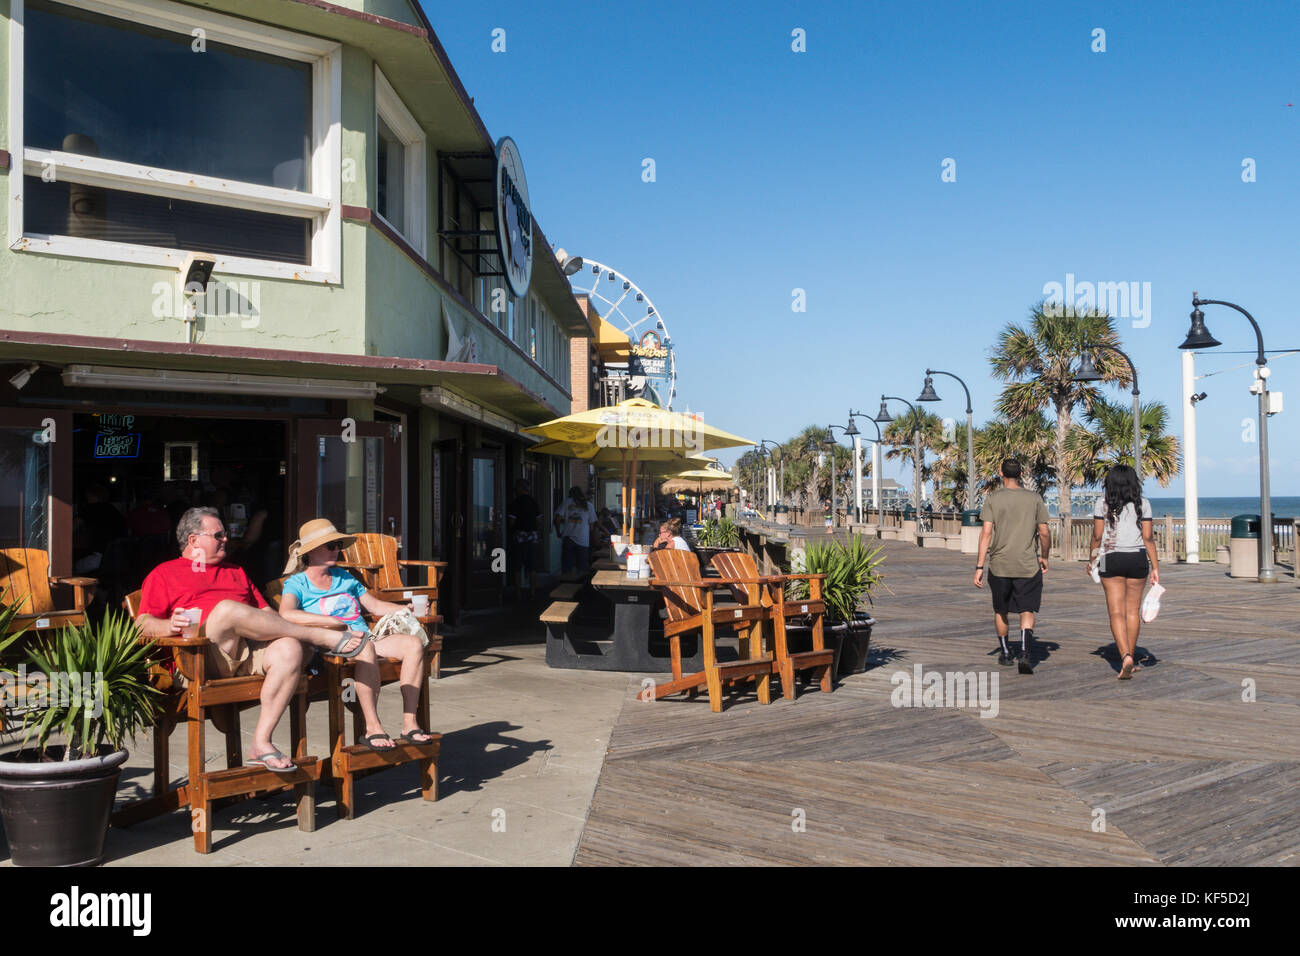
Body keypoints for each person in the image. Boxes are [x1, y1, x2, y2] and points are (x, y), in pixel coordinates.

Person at [135, 508, 364, 772]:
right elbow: (142, 624)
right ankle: (319, 637)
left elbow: (267, 616)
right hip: (197, 660)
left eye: (226, 534)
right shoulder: (165, 573)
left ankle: (261, 742)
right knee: (227, 609)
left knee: (290, 648)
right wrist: (169, 625)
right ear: (193, 540)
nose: (226, 540)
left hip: (246, 653)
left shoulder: (236, 571)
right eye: (219, 535)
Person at [278, 519, 435, 750]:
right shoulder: (297, 583)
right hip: (332, 646)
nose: (337, 550)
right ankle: (373, 727)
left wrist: (406, 609)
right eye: (331, 545)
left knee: (412, 644)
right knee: (366, 647)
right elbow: (286, 613)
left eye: (338, 544)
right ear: (311, 551)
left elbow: (375, 607)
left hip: (364, 639)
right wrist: (330, 621)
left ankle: (410, 723)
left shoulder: (345, 577)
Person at [973, 459, 1050, 674]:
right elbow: (1044, 532)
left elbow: (986, 533)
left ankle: (1006, 653)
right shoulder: (1034, 498)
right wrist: (1045, 556)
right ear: (1021, 473)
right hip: (1028, 564)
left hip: (999, 565)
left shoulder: (993, 499)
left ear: (1001, 473)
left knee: (1001, 609)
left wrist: (979, 566)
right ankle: (1025, 652)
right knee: (1027, 609)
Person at [1087, 465, 1159, 680]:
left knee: (1116, 612)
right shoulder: (1143, 504)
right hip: (1137, 558)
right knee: (1131, 612)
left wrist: (1091, 560)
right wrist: (1155, 567)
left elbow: (1097, 536)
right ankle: (1133, 658)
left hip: (1110, 559)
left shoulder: (1102, 503)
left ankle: (1125, 656)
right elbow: (1148, 538)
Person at [506, 479, 541, 599]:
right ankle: (533, 592)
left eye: (516, 488)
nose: (515, 490)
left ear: (520, 489)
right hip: (532, 536)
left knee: (517, 566)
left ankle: (518, 592)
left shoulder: (515, 503)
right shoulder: (534, 502)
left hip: (519, 536)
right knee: (532, 566)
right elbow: (538, 520)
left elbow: (511, 522)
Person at [558, 486, 597, 573]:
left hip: (568, 538)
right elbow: (591, 526)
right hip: (583, 540)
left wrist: (558, 532)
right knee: (582, 568)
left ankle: (566, 584)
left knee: (567, 567)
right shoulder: (588, 505)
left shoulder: (566, 503)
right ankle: (581, 585)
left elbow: (557, 518)